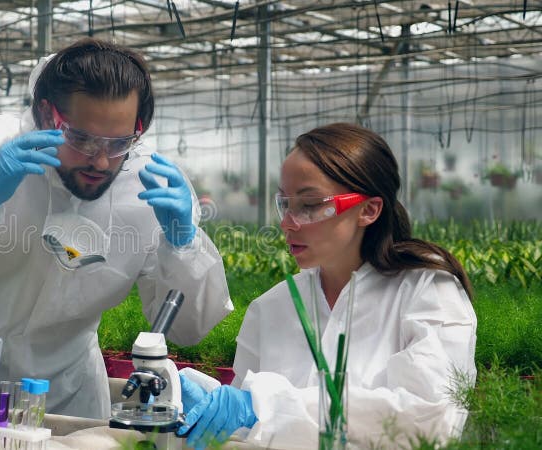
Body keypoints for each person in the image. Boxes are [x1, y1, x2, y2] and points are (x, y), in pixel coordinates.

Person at [0, 38, 233, 420]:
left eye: (118, 142)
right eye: (81, 138)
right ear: (48, 115)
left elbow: (187, 331)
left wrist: (183, 245)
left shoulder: (152, 187)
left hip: (67, 396)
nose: (99, 160)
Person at [178, 123, 476, 449]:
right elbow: (245, 426)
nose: (287, 222)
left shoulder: (426, 292)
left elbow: (431, 418)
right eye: (285, 203)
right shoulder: (272, 308)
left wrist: (265, 407)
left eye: (310, 204)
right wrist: (207, 400)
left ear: (369, 209)